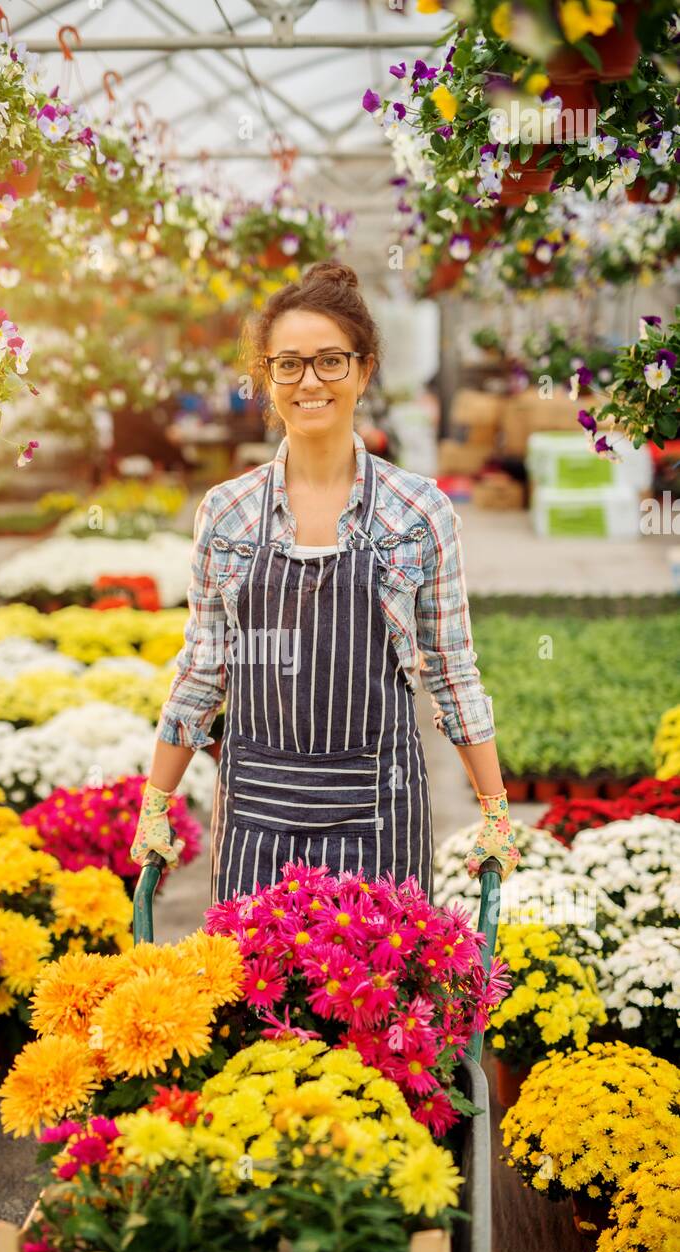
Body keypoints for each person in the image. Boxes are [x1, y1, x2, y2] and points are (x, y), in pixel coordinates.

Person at [130, 262, 520, 903]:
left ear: (364, 371)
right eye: (288, 364)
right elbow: (202, 670)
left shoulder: (418, 511)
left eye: (330, 361)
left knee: (377, 994)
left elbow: (453, 670)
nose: (309, 381)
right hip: (258, 810)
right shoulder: (227, 512)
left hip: (380, 809)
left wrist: (496, 812)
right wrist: (156, 803)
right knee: (257, 994)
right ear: (266, 378)